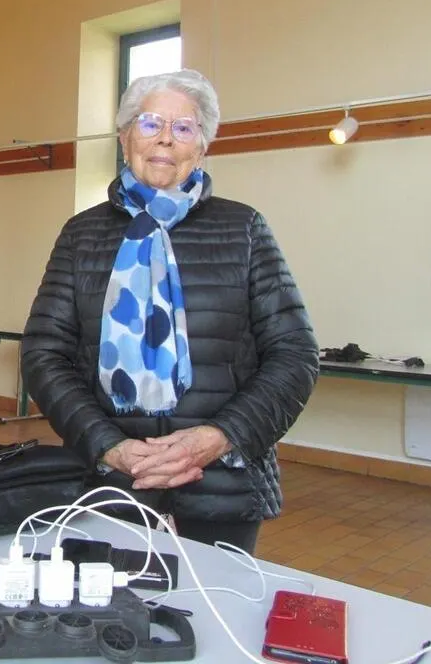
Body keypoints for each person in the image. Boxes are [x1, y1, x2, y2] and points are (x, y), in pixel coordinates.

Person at [21, 69, 318, 554]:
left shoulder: (243, 229)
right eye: (149, 123)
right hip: (110, 482)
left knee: (213, 602)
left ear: (201, 147)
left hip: (222, 486)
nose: (164, 138)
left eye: (183, 127)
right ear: (124, 138)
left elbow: (295, 354)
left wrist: (219, 436)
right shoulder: (81, 234)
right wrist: (108, 446)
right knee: (111, 600)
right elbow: (43, 353)